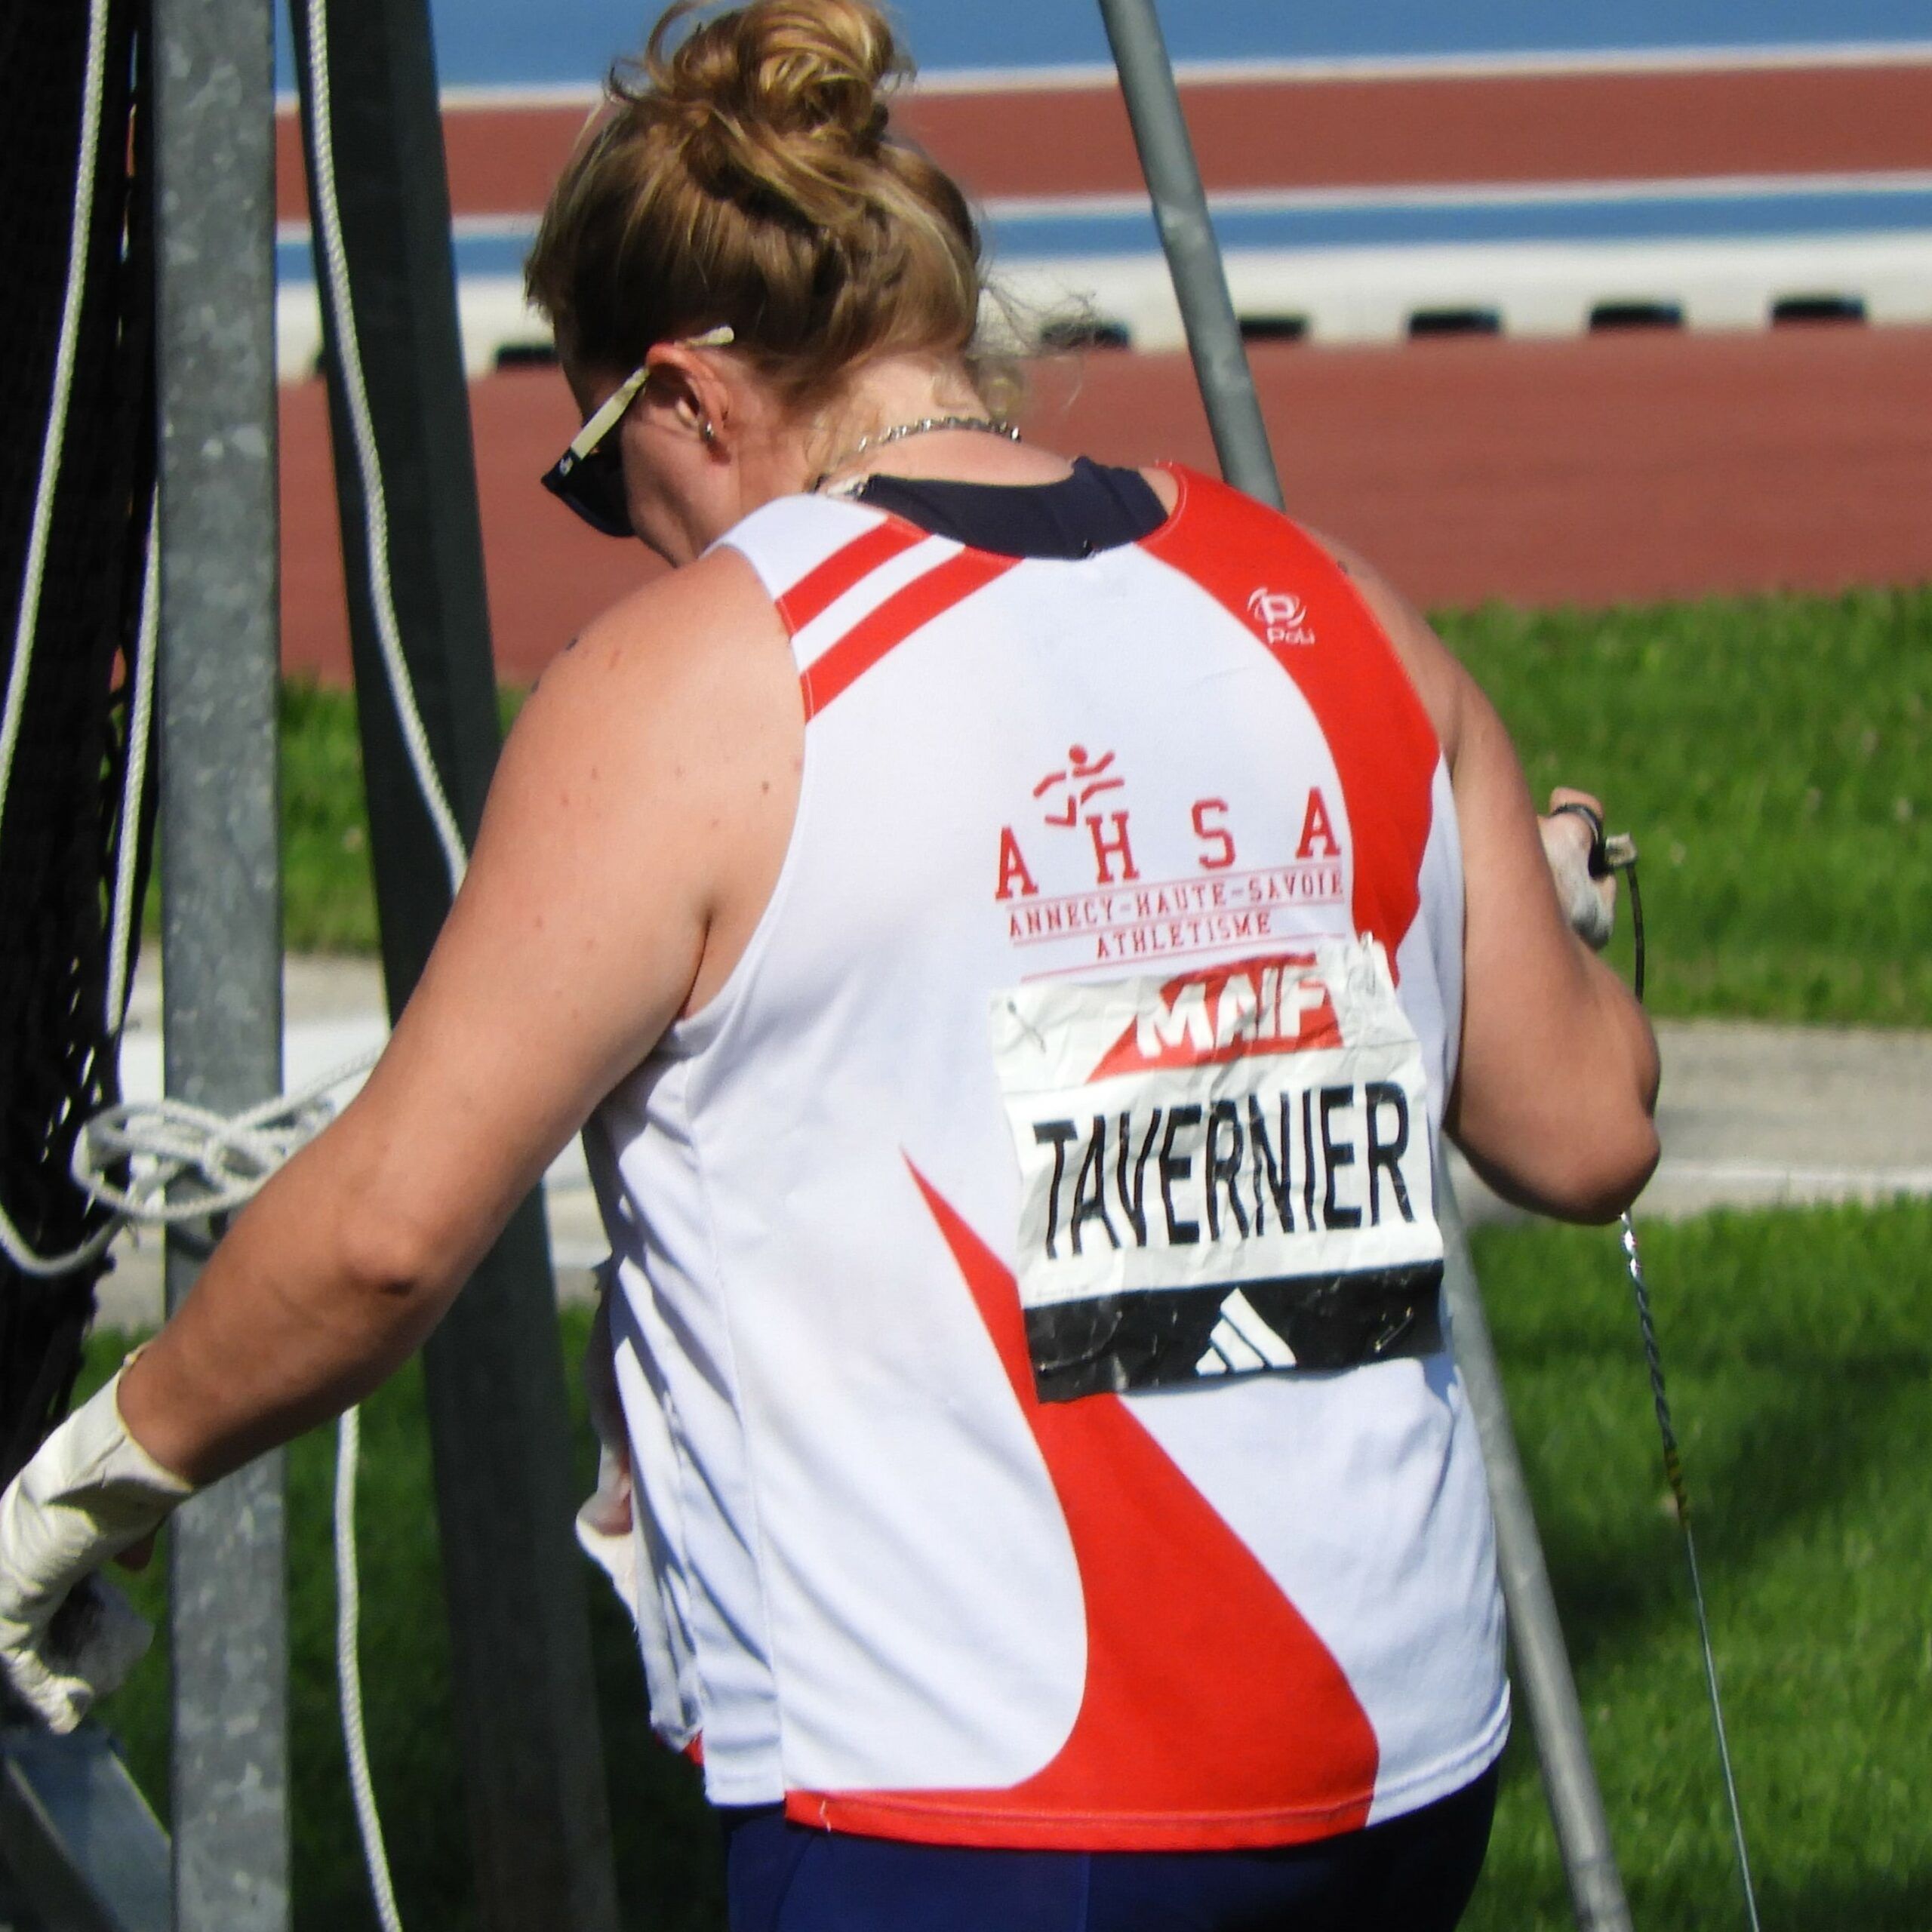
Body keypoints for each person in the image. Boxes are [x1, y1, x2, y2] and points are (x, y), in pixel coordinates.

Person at [0, 2, 1658, 1926]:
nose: (630, 541)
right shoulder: (1327, 609)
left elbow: (385, 1231)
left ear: (687, 396)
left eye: (601, 476)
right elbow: (1582, 1121)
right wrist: (1513, 904)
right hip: (1390, 1771)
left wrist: (82, 1487)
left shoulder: (704, 682)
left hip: (968, 1799)